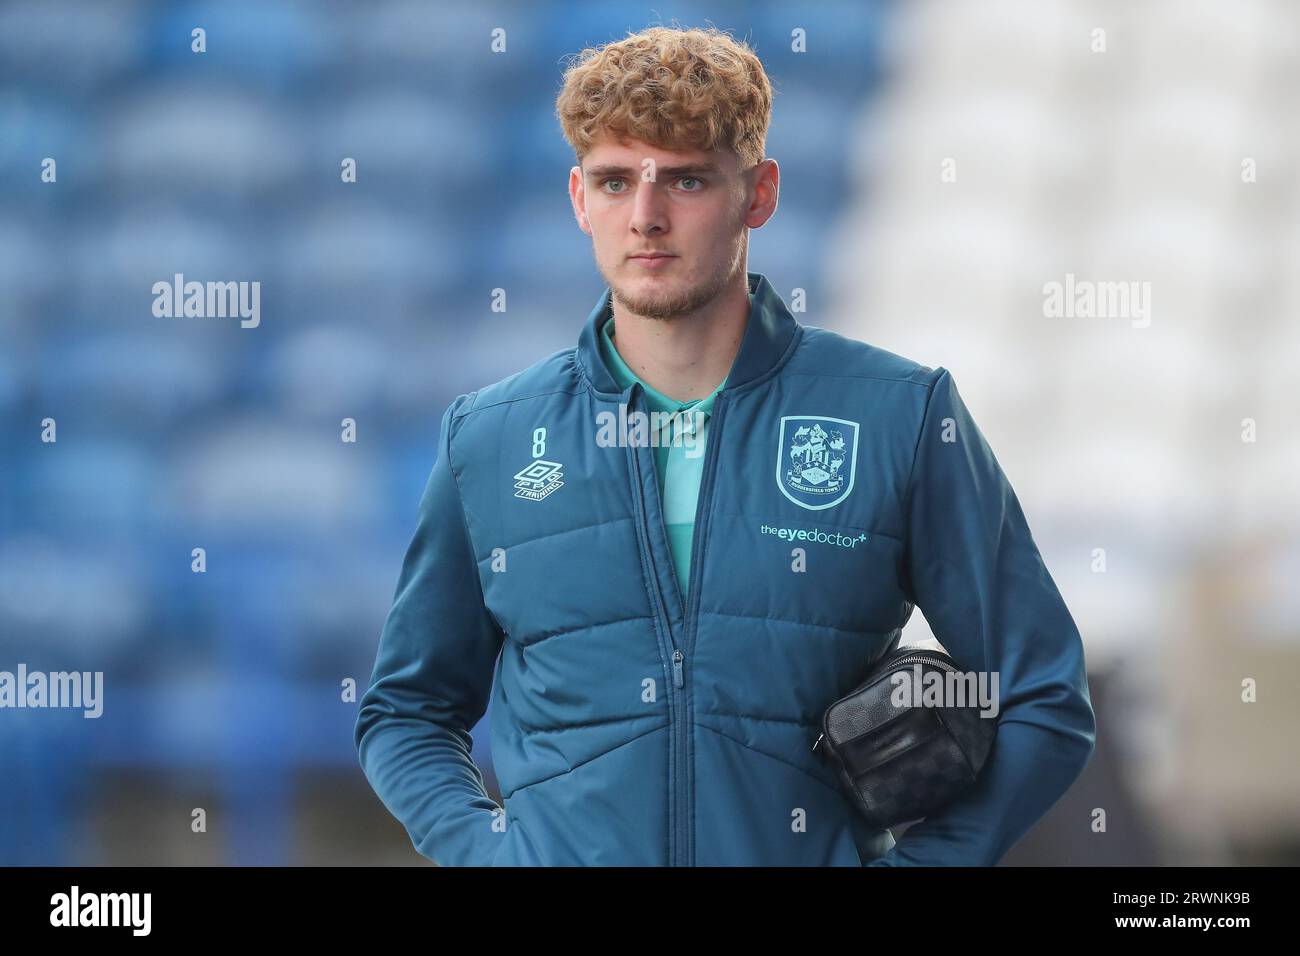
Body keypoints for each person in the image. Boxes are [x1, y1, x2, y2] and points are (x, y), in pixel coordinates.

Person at [354, 25, 1095, 866]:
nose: (646, 217)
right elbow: (406, 714)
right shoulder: (488, 439)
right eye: (614, 181)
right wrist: (487, 853)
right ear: (577, 198)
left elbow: (1042, 696)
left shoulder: (902, 414)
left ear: (760, 193)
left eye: (687, 179)